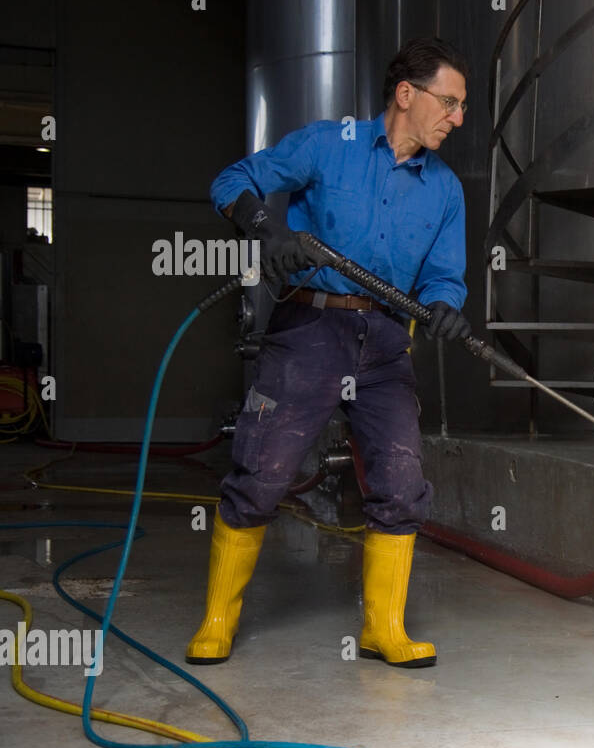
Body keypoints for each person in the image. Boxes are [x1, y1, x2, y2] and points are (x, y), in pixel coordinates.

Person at [186, 37, 473, 669]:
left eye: (459, 108)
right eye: (449, 103)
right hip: (309, 329)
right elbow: (233, 181)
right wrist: (270, 232)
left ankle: (383, 630)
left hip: (388, 342)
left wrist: (447, 304)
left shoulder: (445, 190)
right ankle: (216, 622)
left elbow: (444, 276)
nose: (457, 119)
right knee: (262, 474)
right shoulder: (328, 145)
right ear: (407, 94)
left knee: (401, 484)